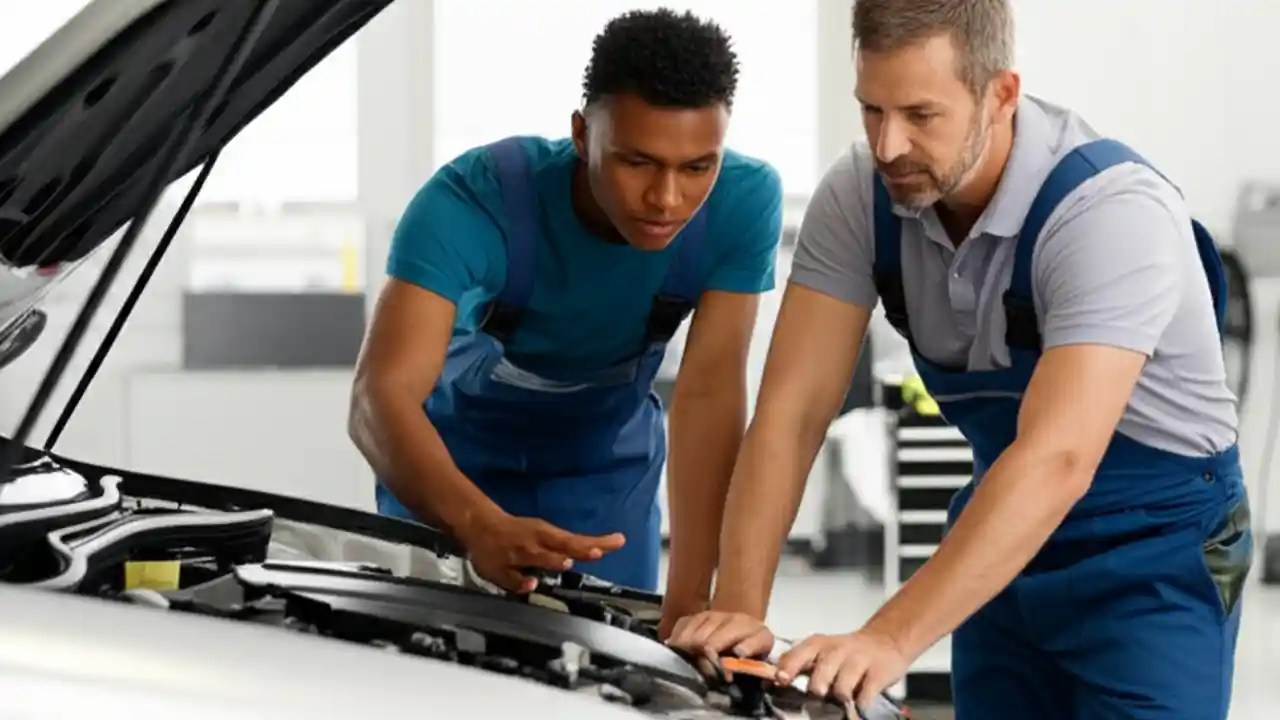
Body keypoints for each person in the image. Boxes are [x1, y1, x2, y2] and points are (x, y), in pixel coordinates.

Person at [667, 1, 1253, 718]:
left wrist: (887, 637)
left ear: (1001, 94)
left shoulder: (1109, 211)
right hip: (998, 544)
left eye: (920, 114)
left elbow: (1058, 458)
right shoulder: (861, 195)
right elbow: (791, 414)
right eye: (871, 110)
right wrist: (740, 617)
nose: (888, 146)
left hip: (1156, 558)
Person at [347, 8, 784, 631]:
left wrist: (690, 598)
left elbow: (711, 392)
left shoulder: (744, 201)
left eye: (696, 168)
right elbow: (377, 397)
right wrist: (475, 523)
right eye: (636, 162)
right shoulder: (473, 199)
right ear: (582, 135)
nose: (667, 199)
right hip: (450, 471)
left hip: (605, 480)